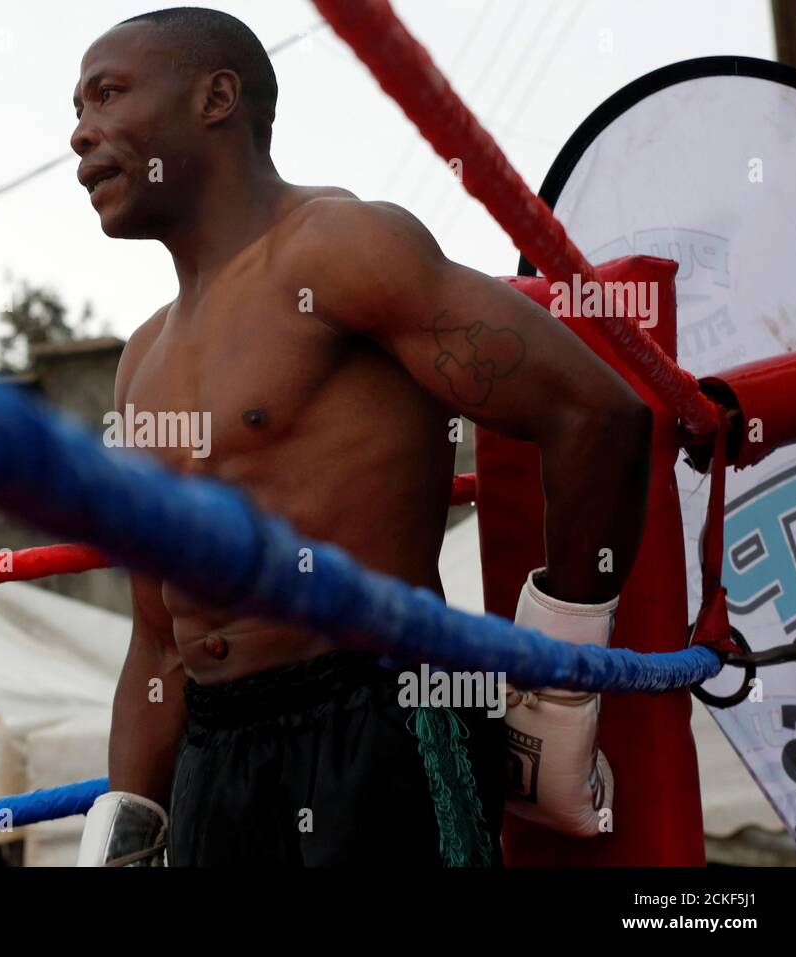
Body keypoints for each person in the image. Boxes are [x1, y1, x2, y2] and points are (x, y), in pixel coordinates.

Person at [70, 7, 653, 867]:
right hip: (214, 756)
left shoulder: (338, 248)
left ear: (216, 97)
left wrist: (559, 695)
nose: (80, 136)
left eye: (106, 95)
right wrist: (127, 822)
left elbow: (598, 415)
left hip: (381, 717)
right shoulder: (141, 359)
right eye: (75, 111)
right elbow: (158, 638)